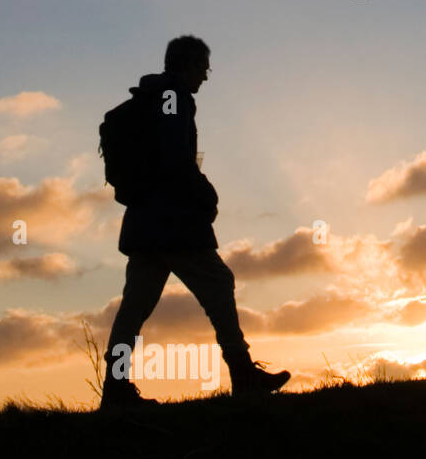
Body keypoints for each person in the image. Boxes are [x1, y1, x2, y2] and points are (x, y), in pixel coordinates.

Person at [101, 35, 290, 407]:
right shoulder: (174, 99)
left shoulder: (146, 100)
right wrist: (206, 194)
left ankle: (115, 388)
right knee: (219, 284)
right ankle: (243, 373)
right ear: (187, 65)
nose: (205, 77)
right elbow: (175, 159)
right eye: (203, 68)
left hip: (143, 224)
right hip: (173, 221)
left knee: (134, 308)